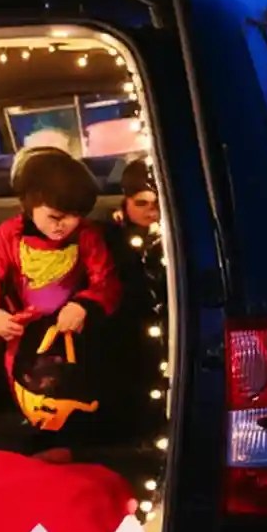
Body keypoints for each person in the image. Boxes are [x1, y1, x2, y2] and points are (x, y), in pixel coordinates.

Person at [0, 146, 122, 456]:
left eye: (75, 217)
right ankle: (41, 432)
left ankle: (72, 441)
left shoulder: (87, 237)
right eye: (55, 216)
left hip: (75, 332)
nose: (63, 225)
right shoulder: (8, 236)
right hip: (25, 334)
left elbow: (107, 283)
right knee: (34, 394)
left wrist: (83, 305)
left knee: (77, 394)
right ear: (30, 203)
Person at [101, 157, 168, 441]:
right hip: (127, 327)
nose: (151, 211)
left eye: (157, 203)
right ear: (125, 202)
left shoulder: (176, 235)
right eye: (141, 203)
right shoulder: (110, 236)